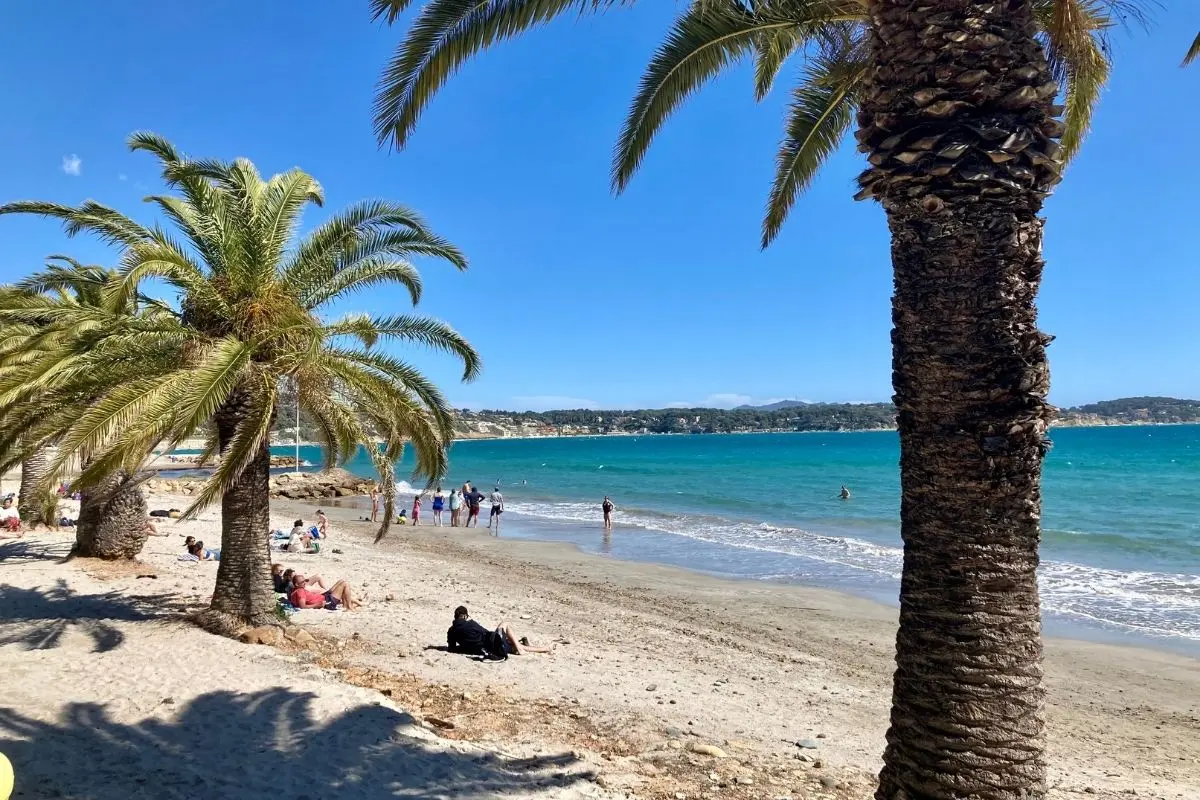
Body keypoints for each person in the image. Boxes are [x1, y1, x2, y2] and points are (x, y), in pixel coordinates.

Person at [446, 605, 551, 658]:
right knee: (505, 624)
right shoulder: (471, 624)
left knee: (512, 644)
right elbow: (486, 632)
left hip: (481, 649)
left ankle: (543, 648)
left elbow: (452, 648)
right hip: (492, 645)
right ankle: (522, 648)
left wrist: (465, 646)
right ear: (465, 616)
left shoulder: (451, 631)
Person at [289, 573, 361, 611]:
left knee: (341, 581)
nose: (305, 583)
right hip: (327, 601)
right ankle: (349, 607)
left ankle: (346, 605)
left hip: (324, 596)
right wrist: (317, 605)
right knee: (345, 584)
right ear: (296, 584)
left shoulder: (294, 591)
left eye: (305, 581)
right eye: (303, 582)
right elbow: (303, 606)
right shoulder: (300, 591)